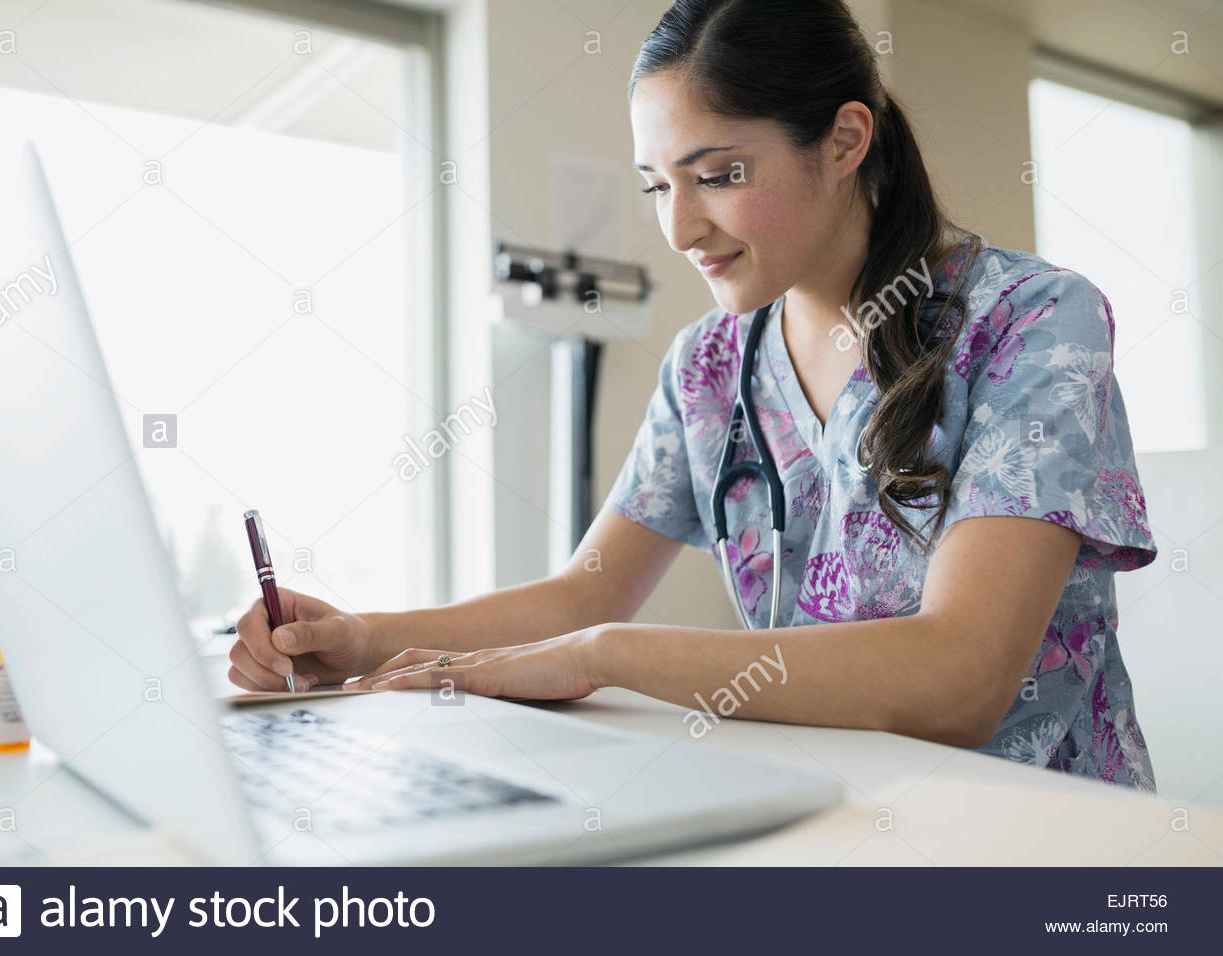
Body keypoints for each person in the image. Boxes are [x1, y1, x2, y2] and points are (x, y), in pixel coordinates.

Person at [230, 0, 1158, 790]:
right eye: (656, 184)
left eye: (719, 175)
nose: (678, 227)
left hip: (1041, 838)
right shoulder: (710, 367)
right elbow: (579, 595)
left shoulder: (1034, 323)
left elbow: (960, 678)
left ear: (844, 140)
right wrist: (361, 640)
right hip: (825, 811)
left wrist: (605, 656)